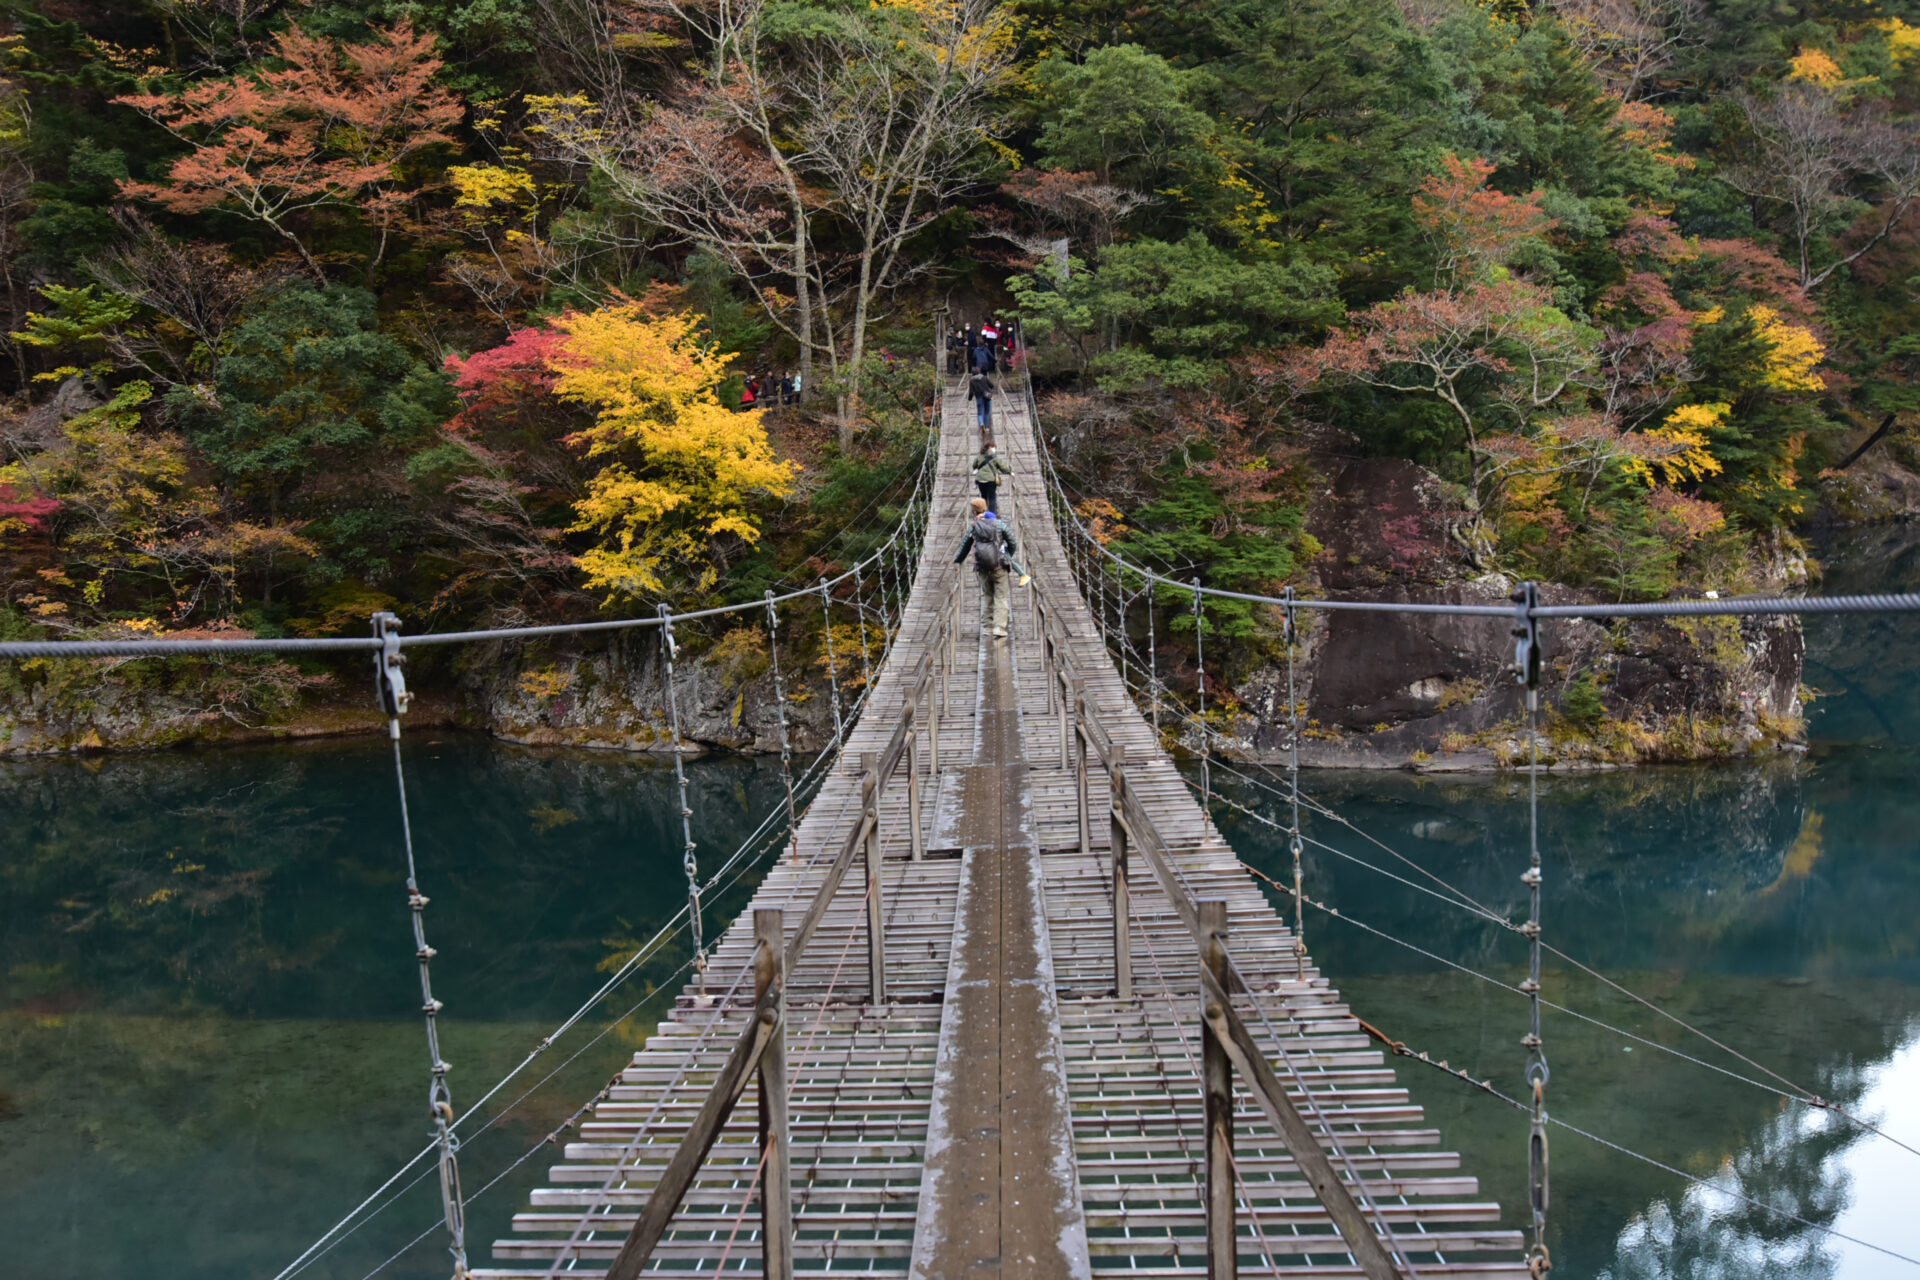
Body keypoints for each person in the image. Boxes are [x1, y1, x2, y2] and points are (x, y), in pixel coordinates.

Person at [953, 497, 1028, 638]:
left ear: (974, 512)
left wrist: (958, 560)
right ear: (985, 508)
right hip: (999, 566)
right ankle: (999, 628)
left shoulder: (974, 527)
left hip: (982, 567)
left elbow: (965, 546)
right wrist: (1008, 556)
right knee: (1000, 596)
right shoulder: (999, 524)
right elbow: (1013, 541)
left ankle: (987, 627)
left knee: (988, 595)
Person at [972, 443, 1011, 513]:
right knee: (992, 498)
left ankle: (982, 513)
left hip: (980, 480)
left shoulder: (979, 456)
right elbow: (1002, 467)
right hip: (991, 480)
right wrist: (1010, 472)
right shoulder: (995, 457)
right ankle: (991, 515)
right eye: (993, 447)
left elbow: (974, 465)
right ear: (990, 448)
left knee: (983, 497)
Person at [968, 368, 994, 435]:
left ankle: (981, 423)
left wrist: (970, 398)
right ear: (979, 372)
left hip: (979, 397)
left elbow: (971, 391)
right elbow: (992, 385)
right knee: (987, 412)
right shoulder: (984, 378)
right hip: (987, 396)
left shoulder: (972, 381)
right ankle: (986, 427)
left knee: (980, 413)